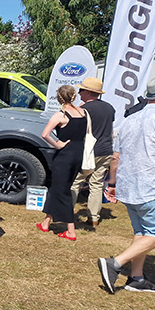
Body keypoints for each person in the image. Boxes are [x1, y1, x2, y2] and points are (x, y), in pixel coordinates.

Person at [98, 73, 155, 294]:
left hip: (129, 187)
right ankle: (115, 263)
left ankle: (136, 278)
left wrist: (112, 183)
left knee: (142, 232)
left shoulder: (129, 120)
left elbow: (116, 157)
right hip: (153, 187)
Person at [36, 85, 86, 241]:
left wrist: (57, 144)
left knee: (62, 191)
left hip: (64, 155)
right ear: (74, 96)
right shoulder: (82, 112)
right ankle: (46, 223)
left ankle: (71, 230)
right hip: (79, 153)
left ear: (58, 98)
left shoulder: (60, 115)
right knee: (57, 188)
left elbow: (45, 134)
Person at [70, 77, 115, 227]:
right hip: (106, 150)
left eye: (82, 90)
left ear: (89, 93)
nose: (79, 92)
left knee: (75, 181)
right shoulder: (109, 108)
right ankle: (94, 217)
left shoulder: (84, 109)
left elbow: (78, 130)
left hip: (90, 151)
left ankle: (67, 213)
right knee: (96, 184)